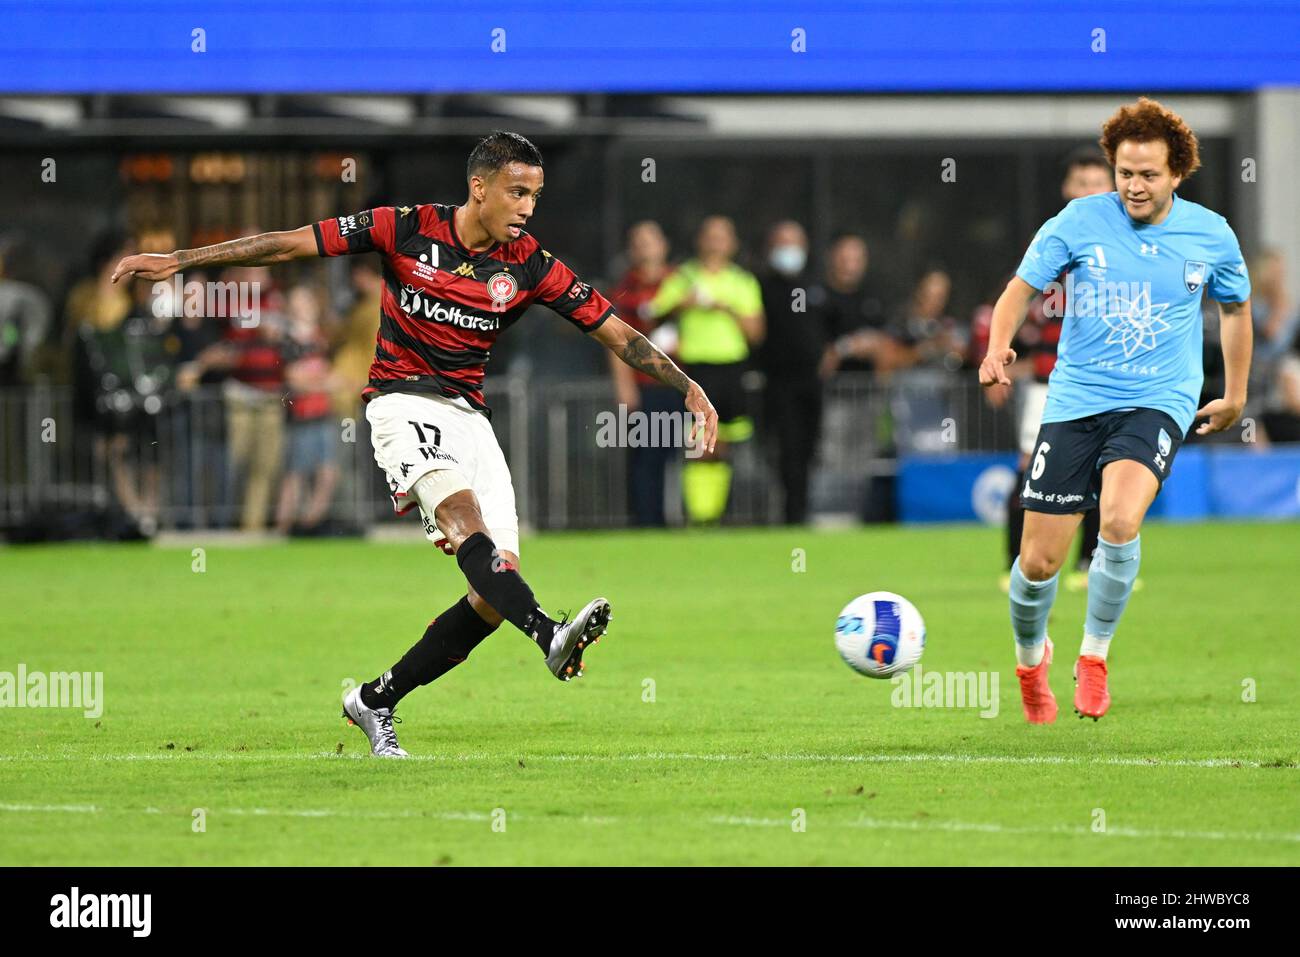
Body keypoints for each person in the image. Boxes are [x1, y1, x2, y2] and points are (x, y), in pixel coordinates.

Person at [112, 131, 718, 757]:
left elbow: (618, 333)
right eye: (517, 193)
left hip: (470, 419)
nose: (527, 208)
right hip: (401, 404)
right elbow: (291, 244)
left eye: (535, 196)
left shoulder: (530, 264)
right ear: (477, 188)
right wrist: (183, 259)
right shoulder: (403, 228)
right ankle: (549, 634)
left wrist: (689, 387)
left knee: (489, 595)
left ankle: (374, 700)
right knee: (464, 526)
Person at [979, 98, 1252, 724]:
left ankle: (1095, 658)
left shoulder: (1209, 234)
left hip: (1158, 399)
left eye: (1149, 175)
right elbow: (1020, 290)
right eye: (1125, 172)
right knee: (1038, 562)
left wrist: (1235, 392)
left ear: (1177, 173)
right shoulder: (1078, 221)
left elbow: (1235, 310)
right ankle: (1030, 661)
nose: (1134, 185)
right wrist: (998, 347)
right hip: (1075, 399)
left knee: (1121, 520)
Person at [981, 148, 1113, 593]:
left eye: (1098, 182)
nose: (1089, 190)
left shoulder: (1129, 244)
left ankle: (1091, 562)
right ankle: (1015, 562)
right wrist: (999, 355)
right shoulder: (1051, 241)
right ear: (1067, 189)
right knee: (1030, 468)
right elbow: (1017, 304)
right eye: (1081, 182)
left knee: (1101, 469)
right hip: (1048, 381)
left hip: (1106, 378)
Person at [646, 215, 763, 524]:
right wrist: (683, 305)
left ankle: (725, 513)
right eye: (710, 236)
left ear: (733, 243)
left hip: (731, 368)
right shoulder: (683, 277)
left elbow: (756, 333)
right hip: (695, 371)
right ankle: (701, 515)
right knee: (700, 444)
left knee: (728, 443)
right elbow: (653, 317)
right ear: (700, 240)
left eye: (722, 236)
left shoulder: (742, 281)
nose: (715, 243)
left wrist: (727, 309)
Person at [606, 220, 677, 527]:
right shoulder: (623, 289)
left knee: (685, 455)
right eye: (639, 242)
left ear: (664, 245)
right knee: (648, 456)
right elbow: (613, 338)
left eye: (651, 241)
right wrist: (624, 387)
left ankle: (700, 522)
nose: (645, 248)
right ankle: (648, 522)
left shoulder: (681, 283)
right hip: (647, 386)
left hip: (684, 384)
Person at [757, 220, 825, 524]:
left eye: (793, 243)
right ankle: (790, 515)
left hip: (812, 382)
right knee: (786, 450)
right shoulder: (760, 286)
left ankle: (803, 509)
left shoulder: (815, 286)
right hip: (777, 382)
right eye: (781, 243)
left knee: (810, 448)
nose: (788, 250)